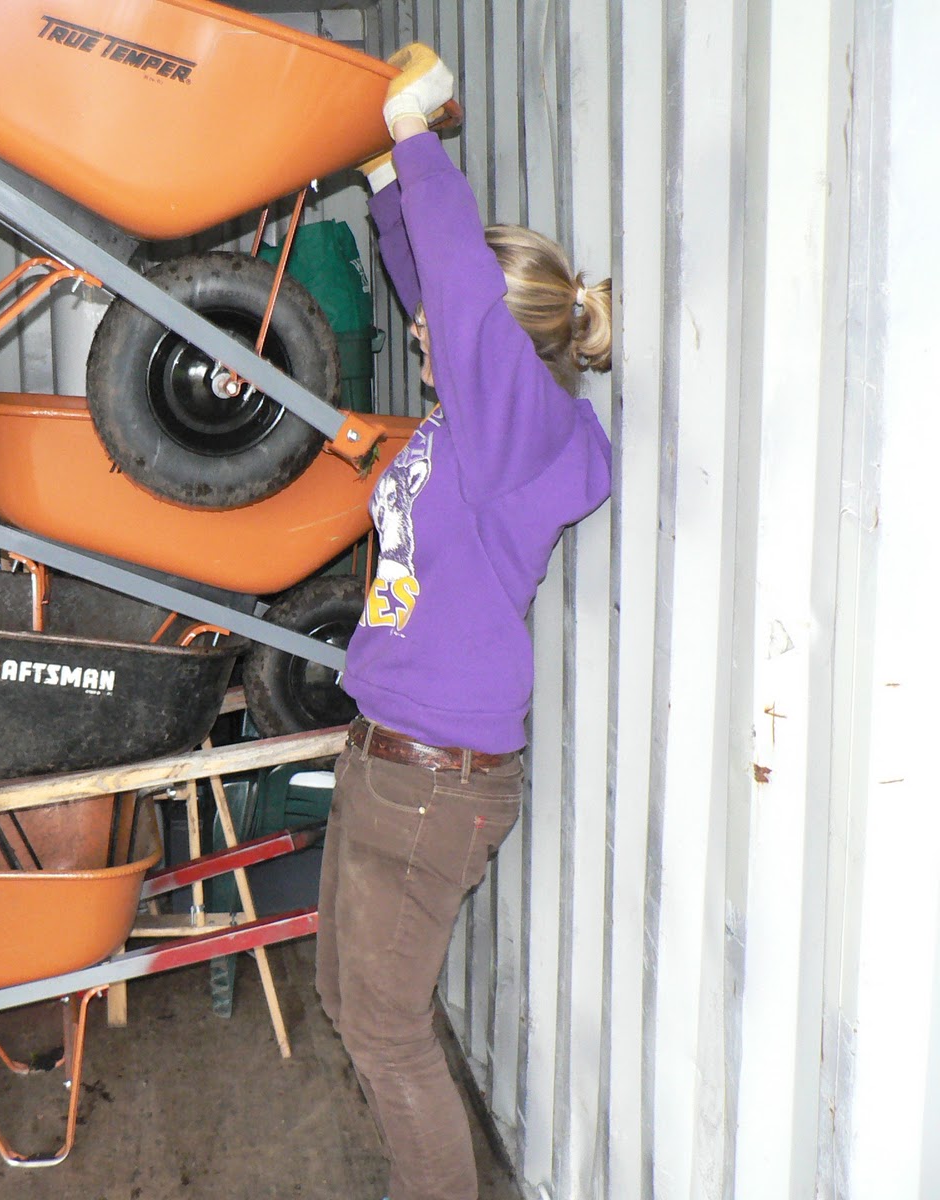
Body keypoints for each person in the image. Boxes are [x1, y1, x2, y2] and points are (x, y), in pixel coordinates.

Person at [315, 44, 613, 1200]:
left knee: (386, 1037)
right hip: (385, 755)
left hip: (436, 780)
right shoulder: (464, 430)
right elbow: (427, 274)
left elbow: (457, 294)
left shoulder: (510, 432)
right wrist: (389, 187)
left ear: (494, 338)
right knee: (354, 1005)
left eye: (445, 318)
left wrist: (416, 142)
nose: (422, 328)